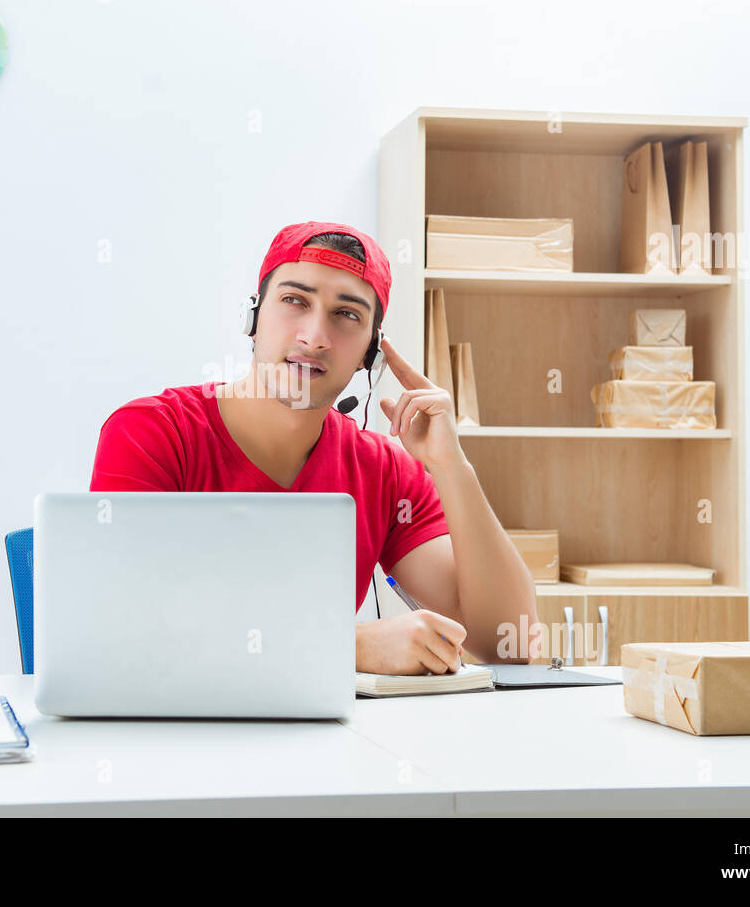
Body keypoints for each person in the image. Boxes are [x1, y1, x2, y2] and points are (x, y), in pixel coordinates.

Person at [89, 220, 537, 673]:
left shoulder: (384, 470)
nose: (315, 336)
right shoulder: (152, 434)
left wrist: (453, 467)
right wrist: (346, 647)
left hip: (325, 738)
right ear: (253, 318)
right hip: (175, 732)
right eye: (294, 301)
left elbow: (509, 645)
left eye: (347, 315)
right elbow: (121, 632)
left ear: (370, 354)